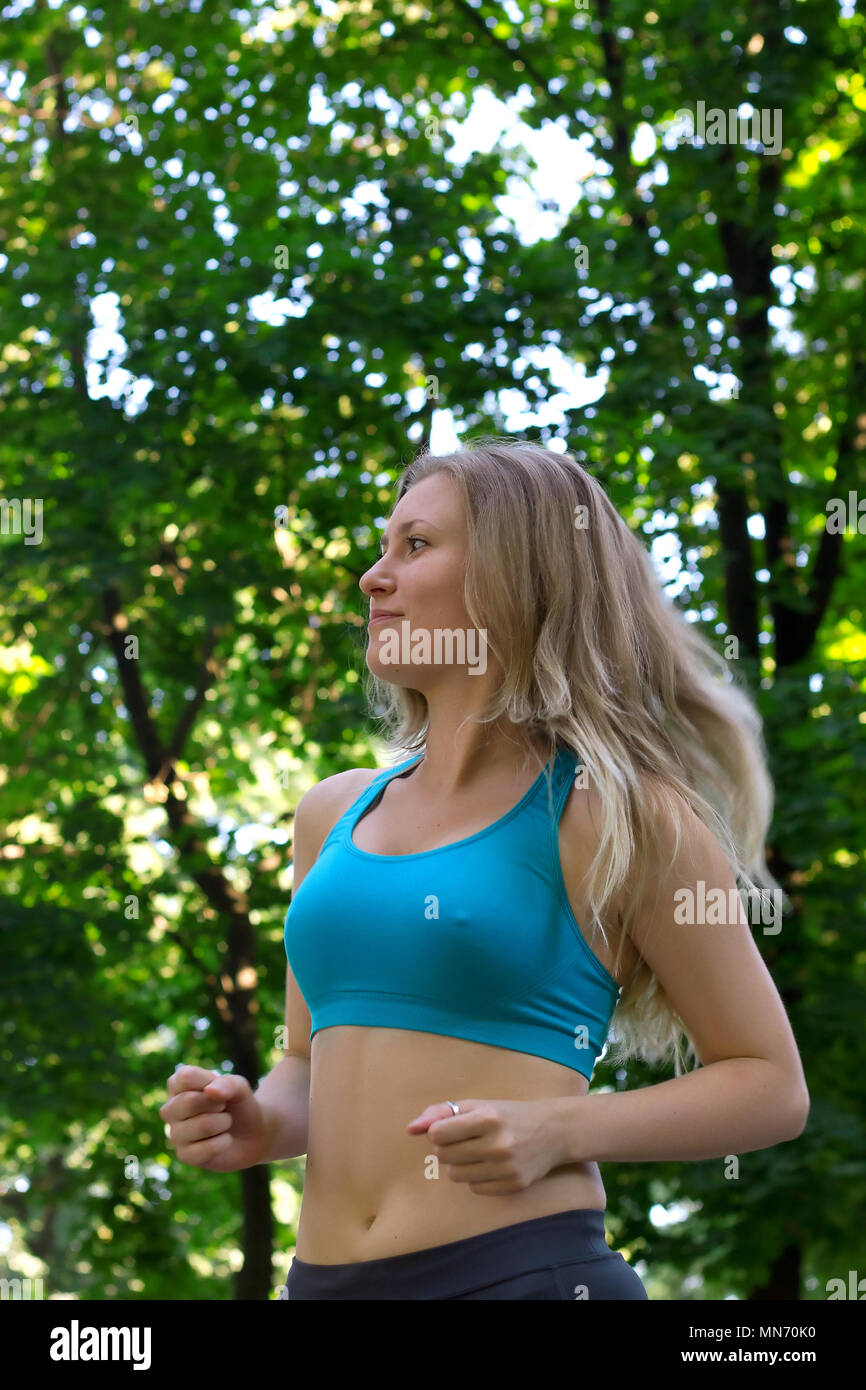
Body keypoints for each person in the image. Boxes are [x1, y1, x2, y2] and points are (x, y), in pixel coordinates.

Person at [161, 437, 810, 1300]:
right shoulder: (333, 815)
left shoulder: (617, 817)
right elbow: (308, 1067)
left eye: (415, 545)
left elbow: (770, 1086)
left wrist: (559, 1129)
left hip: (523, 1276)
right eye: (383, 545)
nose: (371, 576)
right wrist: (257, 1121)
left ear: (514, 576)